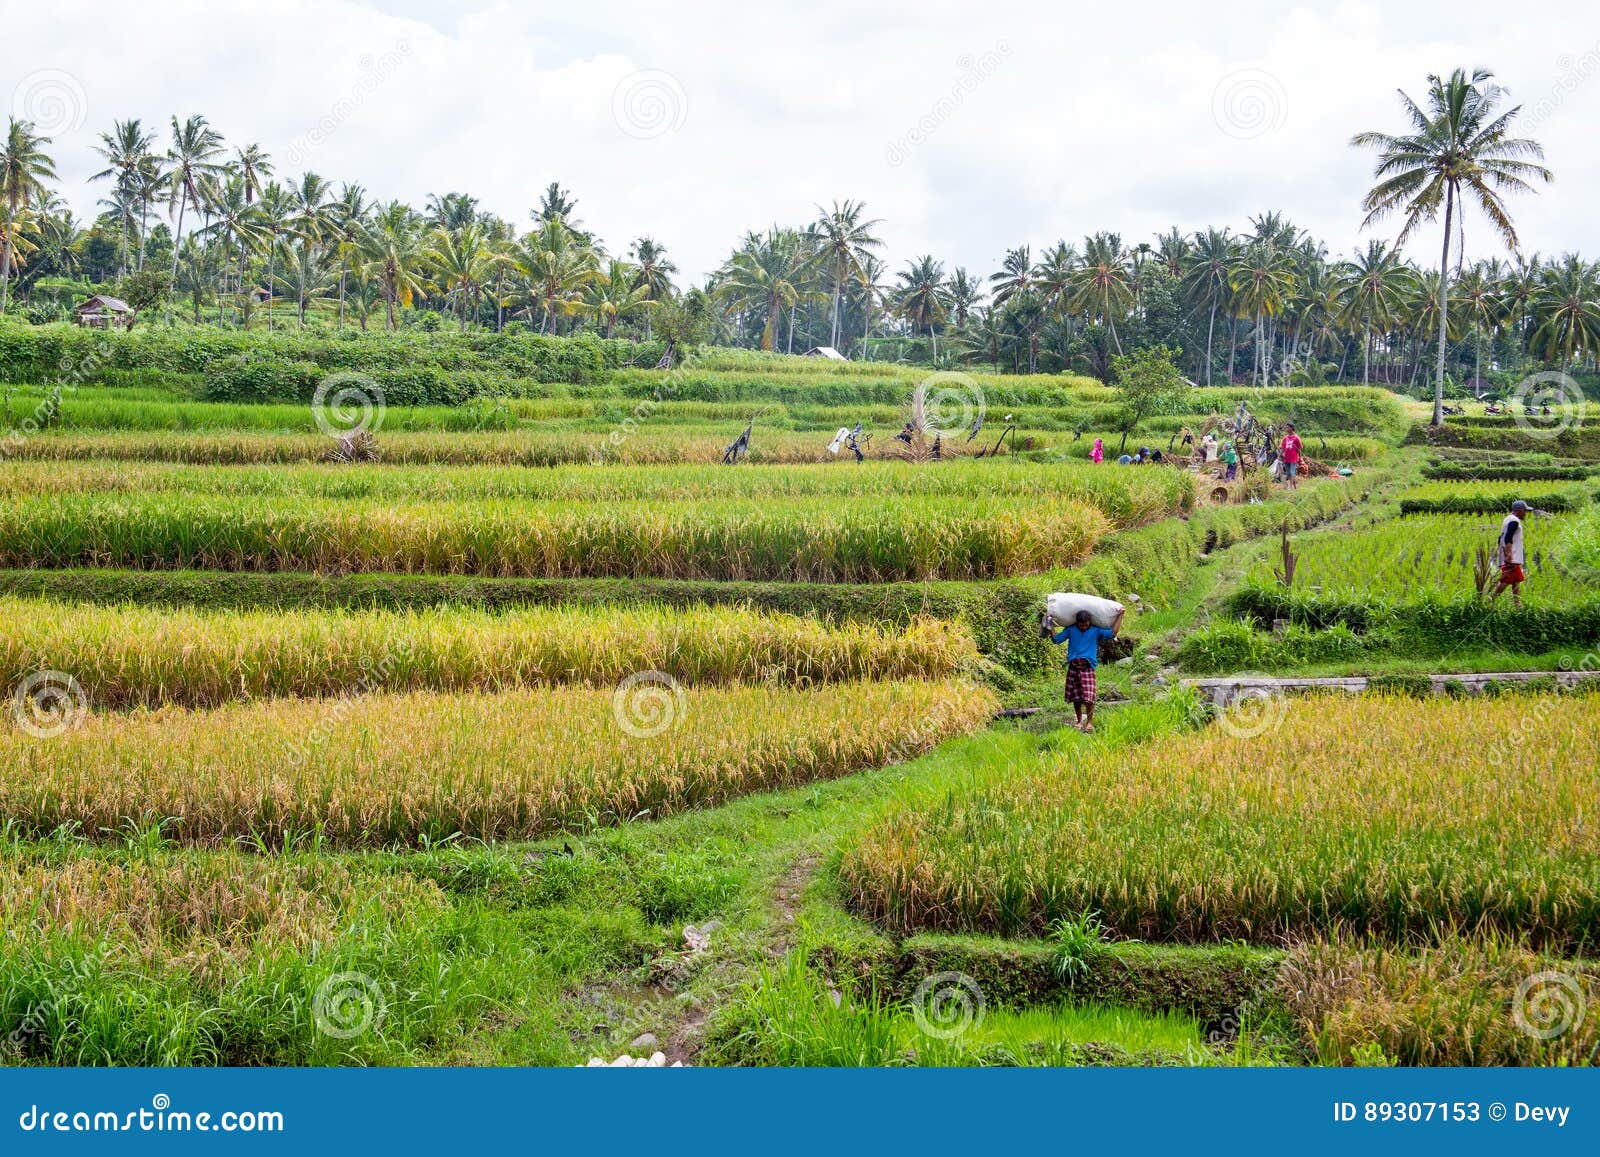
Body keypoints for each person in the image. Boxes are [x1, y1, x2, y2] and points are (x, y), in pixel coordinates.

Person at [1048, 608, 1121, 733]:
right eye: (1081, 624)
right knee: (1076, 697)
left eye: (1086, 624)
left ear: (1089, 622)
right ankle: (1079, 720)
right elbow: (1056, 640)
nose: (1083, 627)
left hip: (1087, 668)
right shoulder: (1071, 630)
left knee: (1089, 698)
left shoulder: (1096, 630)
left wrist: (1121, 615)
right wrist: (1049, 623)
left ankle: (1090, 722)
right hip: (1074, 667)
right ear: (1076, 623)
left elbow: (1113, 633)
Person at [1489, 499, 1529, 607]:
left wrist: (1503, 553)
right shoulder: (1514, 521)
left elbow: (1500, 538)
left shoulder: (1507, 519)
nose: (1526, 513)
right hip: (1512, 557)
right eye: (1525, 511)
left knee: (1516, 581)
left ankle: (1518, 606)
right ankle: (1490, 601)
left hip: (1511, 556)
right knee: (1506, 580)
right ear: (1519, 510)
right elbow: (1507, 537)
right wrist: (1509, 555)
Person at [1279, 423, 1302, 489]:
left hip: (1294, 458)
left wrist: (1300, 458)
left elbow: (1299, 448)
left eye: (1287, 427)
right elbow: (1283, 448)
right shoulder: (1285, 438)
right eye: (1286, 427)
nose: (1286, 429)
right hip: (1286, 458)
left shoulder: (1296, 438)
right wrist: (1279, 456)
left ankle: (1290, 486)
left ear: (1292, 428)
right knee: (1288, 473)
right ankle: (1294, 485)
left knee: (1292, 472)